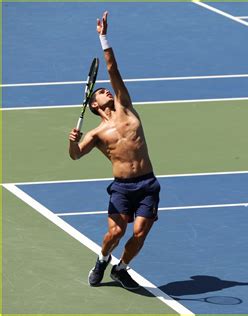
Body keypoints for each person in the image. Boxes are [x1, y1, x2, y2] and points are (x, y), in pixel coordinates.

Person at [68, 11, 160, 290]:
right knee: (115, 232)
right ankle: (102, 259)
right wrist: (73, 140)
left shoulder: (126, 107)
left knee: (140, 233)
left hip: (147, 183)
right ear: (94, 105)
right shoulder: (96, 134)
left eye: (107, 90)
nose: (107, 91)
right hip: (122, 187)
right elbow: (75, 155)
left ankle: (121, 269)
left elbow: (113, 70)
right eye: (100, 92)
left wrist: (103, 37)